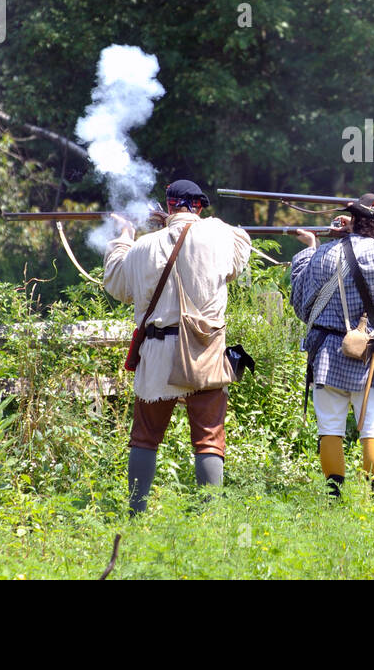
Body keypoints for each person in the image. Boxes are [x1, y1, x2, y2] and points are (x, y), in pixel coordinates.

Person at [103, 179, 251, 514]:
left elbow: (116, 283)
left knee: (145, 437)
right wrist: (188, 222)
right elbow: (240, 246)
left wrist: (125, 236)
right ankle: (208, 516)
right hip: (205, 350)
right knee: (209, 439)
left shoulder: (142, 247)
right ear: (199, 206)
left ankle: (136, 514)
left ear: (169, 206)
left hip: (157, 353)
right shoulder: (218, 235)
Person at [290, 194, 374, 496]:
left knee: (330, 429)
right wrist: (359, 228)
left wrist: (311, 247)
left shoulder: (324, 254)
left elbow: (300, 300)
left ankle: (334, 496)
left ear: (354, 220)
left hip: (326, 353)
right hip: (370, 353)